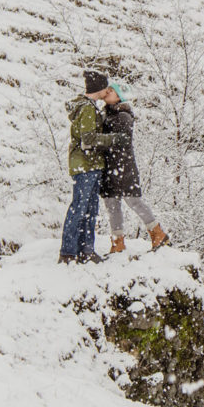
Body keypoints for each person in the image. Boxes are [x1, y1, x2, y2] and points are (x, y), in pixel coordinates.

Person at [59, 70, 126, 264]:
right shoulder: (88, 108)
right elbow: (88, 140)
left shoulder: (89, 106)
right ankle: (69, 252)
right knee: (80, 208)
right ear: (100, 88)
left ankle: (85, 250)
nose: (108, 91)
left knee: (89, 209)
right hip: (86, 165)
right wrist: (114, 139)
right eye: (106, 87)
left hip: (90, 164)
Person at [98, 81, 171, 254]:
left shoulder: (123, 116)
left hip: (122, 166)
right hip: (111, 167)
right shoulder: (106, 114)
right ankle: (118, 242)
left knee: (132, 201)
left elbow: (120, 140)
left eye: (111, 91)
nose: (107, 92)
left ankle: (157, 233)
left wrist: (97, 140)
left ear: (119, 96)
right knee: (112, 203)